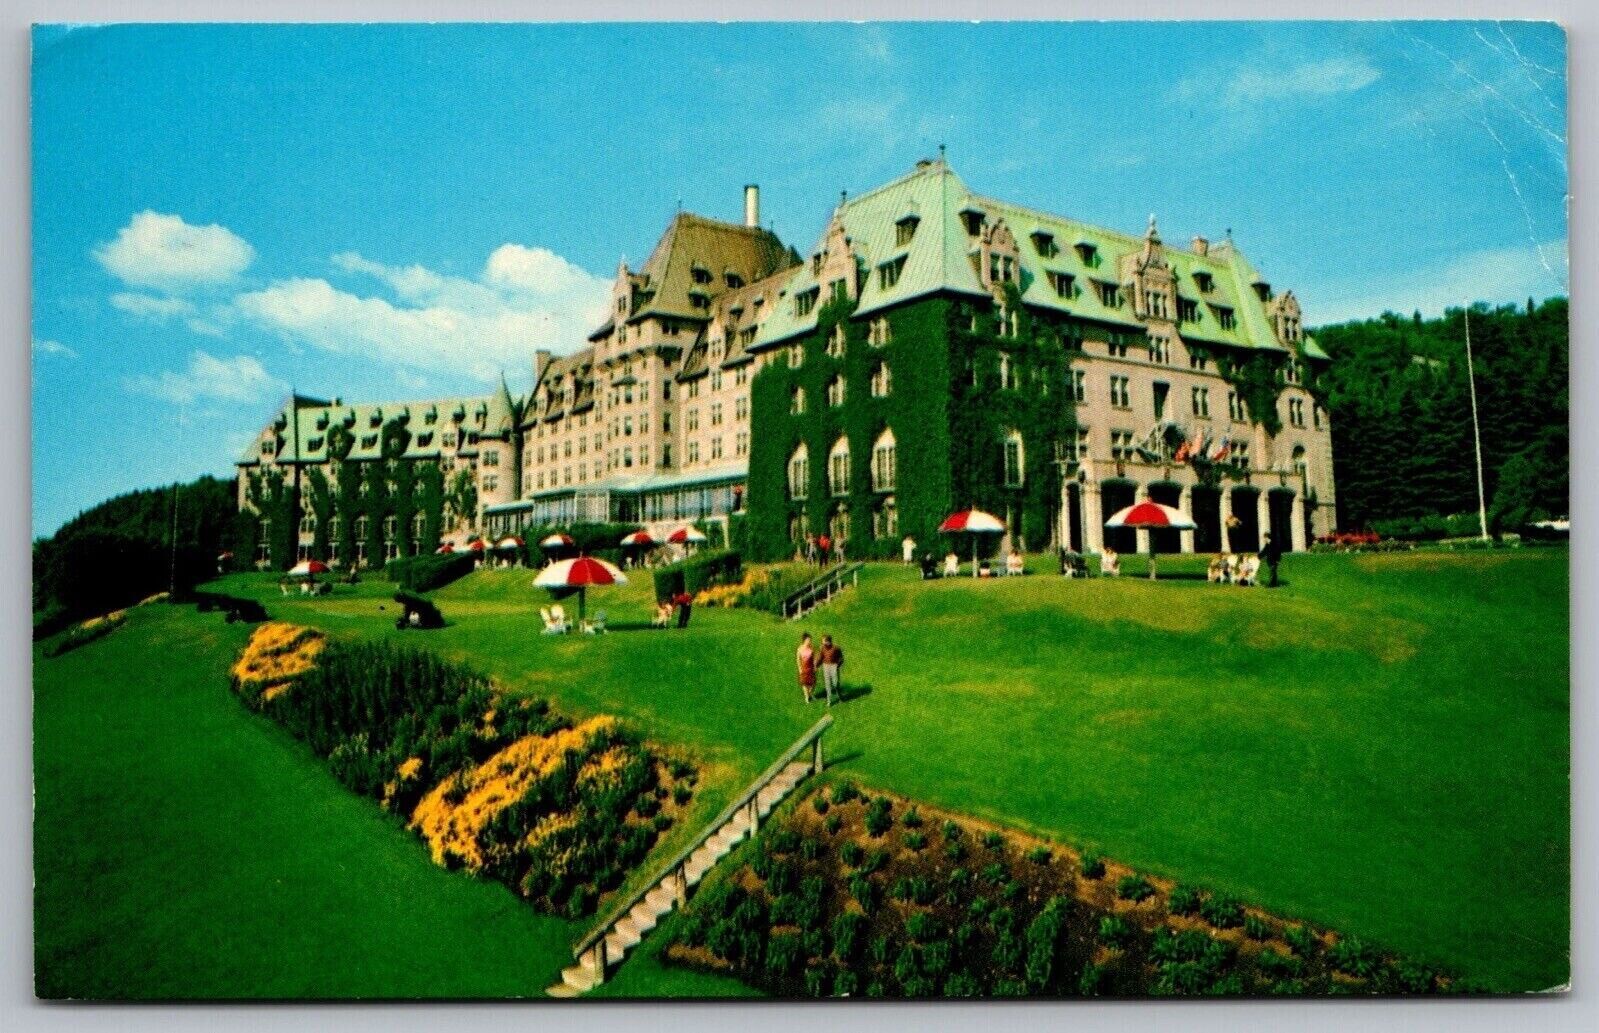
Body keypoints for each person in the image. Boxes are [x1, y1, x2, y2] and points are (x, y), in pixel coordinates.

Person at [819, 634, 844, 706]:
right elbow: (820, 657)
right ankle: (829, 701)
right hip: (825, 666)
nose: (822, 642)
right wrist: (816, 665)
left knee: (835, 683)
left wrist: (837, 665)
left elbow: (841, 658)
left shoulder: (836, 648)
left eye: (823, 641)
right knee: (828, 684)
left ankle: (839, 696)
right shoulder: (822, 648)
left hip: (834, 666)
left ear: (828, 641)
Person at [796, 633, 817, 704]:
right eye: (808, 640)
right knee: (804, 683)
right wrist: (800, 669)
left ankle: (810, 693)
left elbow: (814, 658)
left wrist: (815, 666)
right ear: (804, 640)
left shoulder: (811, 648)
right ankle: (807, 697)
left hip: (811, 667)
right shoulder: (800, 649)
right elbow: (798, 660)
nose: (809, 641)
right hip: (804, 668)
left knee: (813, 683)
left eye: (810, 640)